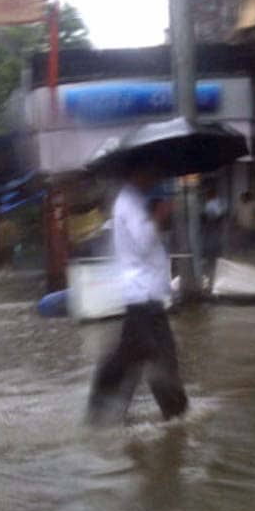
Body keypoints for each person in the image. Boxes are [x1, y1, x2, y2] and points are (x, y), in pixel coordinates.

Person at [86, 167, 188, 426]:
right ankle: (175, 416)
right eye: (151, 171)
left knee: (136, 358)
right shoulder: (128, 203)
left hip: (149, 298)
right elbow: (143, 242)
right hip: (141, 298)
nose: (155, 177)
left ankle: (103, 412)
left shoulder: (134, 202)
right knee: (156, 359)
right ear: (137, 172)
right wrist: (159, 216)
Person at [201, 185, 227, 277]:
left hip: (214, 226)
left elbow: (218, 215)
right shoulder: (211, 203)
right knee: (211, 245)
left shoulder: (215, 202)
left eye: (209, 193)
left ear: (212, 194)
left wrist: (212, 221)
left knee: (214, 245)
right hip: (212, 227)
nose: (208, 195)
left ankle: (214, 263)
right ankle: (212, 262)